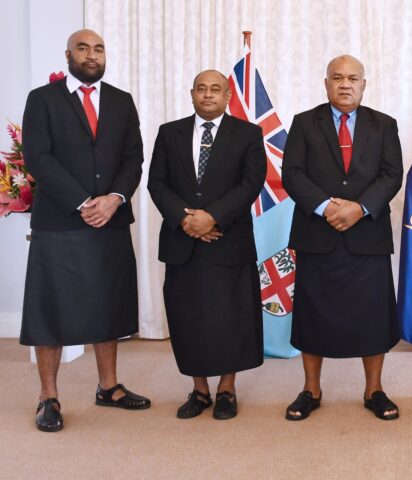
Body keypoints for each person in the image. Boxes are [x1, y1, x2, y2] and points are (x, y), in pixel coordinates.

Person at [20, 29, 150, 432]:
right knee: (51, 311)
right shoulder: (42, 99)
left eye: (98, 49)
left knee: (107, 304)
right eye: (83, 48)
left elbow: (134, 158)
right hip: (59, 222)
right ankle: (49, 397)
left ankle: (108, 387)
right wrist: (82, 202)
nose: (92, 55)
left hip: (110, 219)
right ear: (68, 55)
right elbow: (37, 158)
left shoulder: (122, 101)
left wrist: (113, 198)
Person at [281, 55, 403, 421]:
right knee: (312, 315)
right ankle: (311, 389)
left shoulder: (384, 124)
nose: (345, 84)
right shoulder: (305, 123)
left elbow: (391, 174)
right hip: (318, 233)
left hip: (367, 234)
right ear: (326, 83)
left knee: (373, 316)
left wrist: (359, 208)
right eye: (338, 77)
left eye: (353, 78)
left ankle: (374, 389)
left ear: (364, 84)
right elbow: (293, 173)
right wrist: (325, 207)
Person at [147, 70, 267, 420]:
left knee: (232, 317)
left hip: (229, 240)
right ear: (192, 94)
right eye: (202, 88)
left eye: (216, 89)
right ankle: (199, 389)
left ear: (228, 95)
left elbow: (251, 182)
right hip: (182, 242)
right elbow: (157, 182)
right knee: (188, 318)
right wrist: (186, 220)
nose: (208, 94)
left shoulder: (248, 134)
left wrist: (212, 217)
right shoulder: (169, 133)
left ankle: (227, 389)